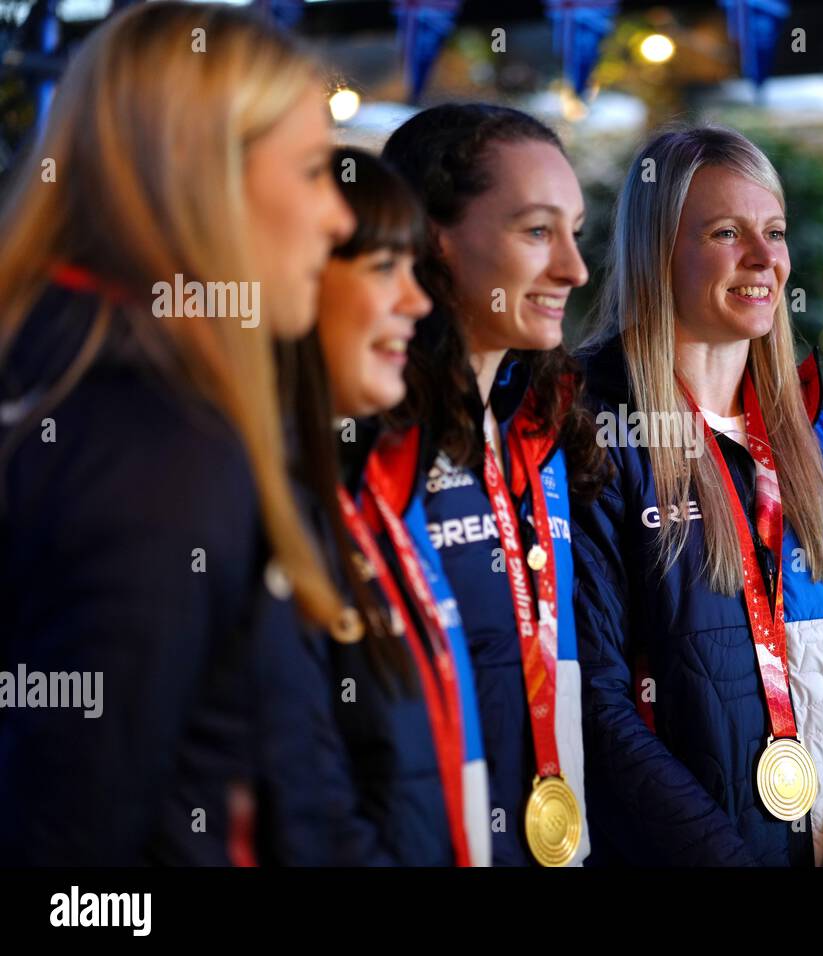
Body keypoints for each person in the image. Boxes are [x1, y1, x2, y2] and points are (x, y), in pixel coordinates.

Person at [0, 1, 355, 863]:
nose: (337, 220)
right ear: (205, 176)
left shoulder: (62, 373)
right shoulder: (161, 454)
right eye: (313, 172)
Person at [572, 125, 823, 866]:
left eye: (775, 232)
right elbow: (596, 703)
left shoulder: (819, 442)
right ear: (656, 250)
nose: (766, 259)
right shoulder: (596, 436)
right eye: (728, 232)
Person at [381, 104, 609, 866]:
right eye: (538, 231)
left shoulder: (543, 434)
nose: (574, 269)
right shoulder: (377, 449)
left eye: (574, 231)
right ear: (434, 239)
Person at [282, 146, 490, 865]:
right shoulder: (247, 514)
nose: (419, 301)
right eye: (383, 269)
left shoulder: (372, 483)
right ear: (288, 281)